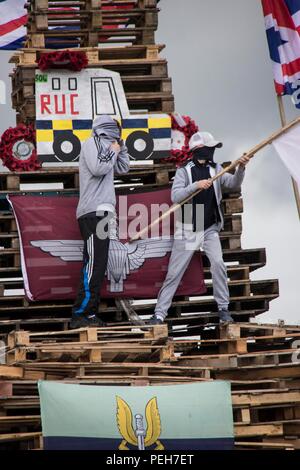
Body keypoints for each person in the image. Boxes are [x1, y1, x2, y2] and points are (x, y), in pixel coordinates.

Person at [148, 131, 250, 325]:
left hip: (209, 226)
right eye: (209, 148)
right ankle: (159, 315)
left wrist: (241, 168)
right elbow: (176, 196)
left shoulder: (216, 168)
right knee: (175, 272)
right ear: (199, 150)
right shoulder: (183, 171)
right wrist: (195, 185)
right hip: (187, 225)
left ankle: (223, 309)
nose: (212, 151)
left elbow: (234, 183)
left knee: (218, 264)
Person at [70, 115, 130, 329]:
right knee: (94, 264)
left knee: (98, 264)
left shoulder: (111, 145)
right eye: (117, 127)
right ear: (108, 127)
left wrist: (120, 147)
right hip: (93, 212)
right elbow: (98, 168)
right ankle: (80, 314)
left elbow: (124, 168)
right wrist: (113, 149)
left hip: (104, 213)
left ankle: (90, 313)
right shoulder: (92, 142)